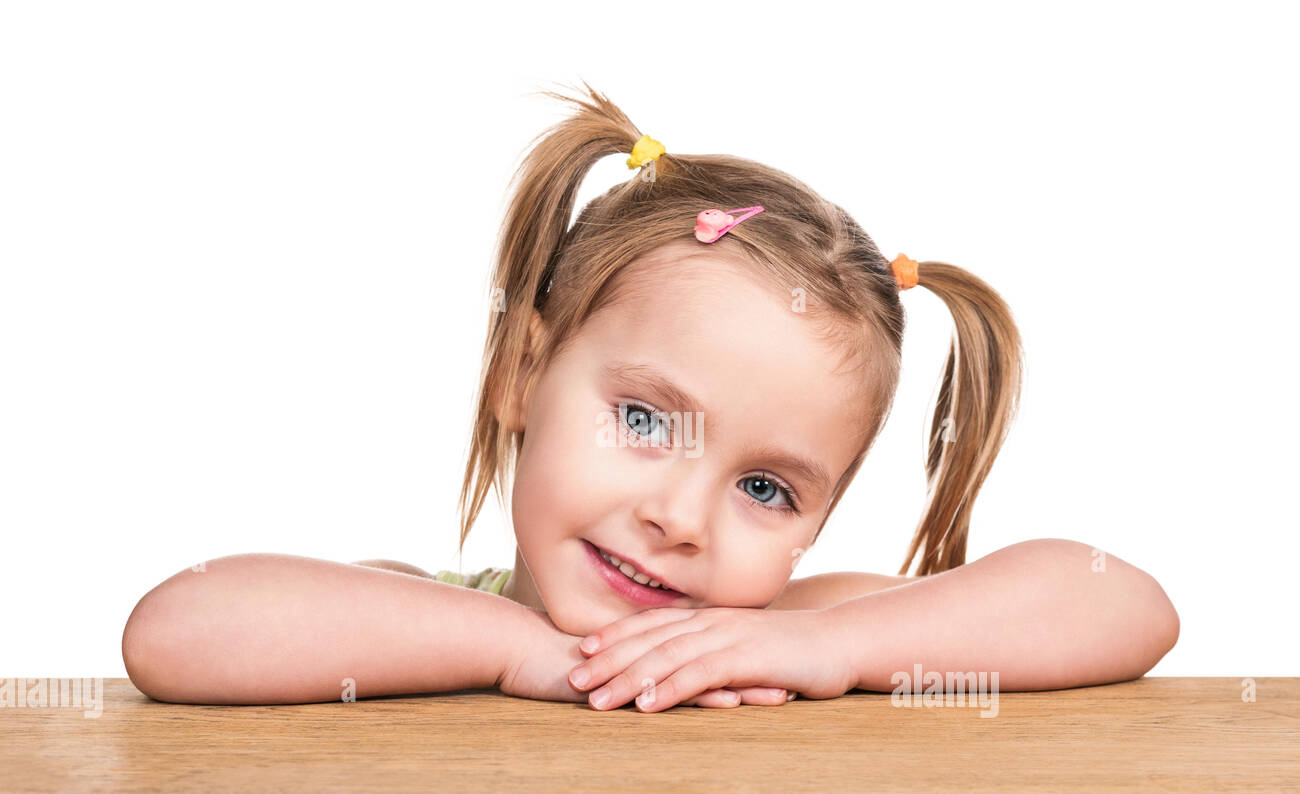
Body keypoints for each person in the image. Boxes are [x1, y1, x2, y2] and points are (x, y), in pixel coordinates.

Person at [122, 82, 1178, 710]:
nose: (679, 517)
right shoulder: (429, 615)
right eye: (641, 421)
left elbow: (1124, 602)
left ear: (823, 520)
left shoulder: (792, 629)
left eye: (767, 487)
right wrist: (515, 651)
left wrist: (829, 649)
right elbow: (176, 629)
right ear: (519, 376)